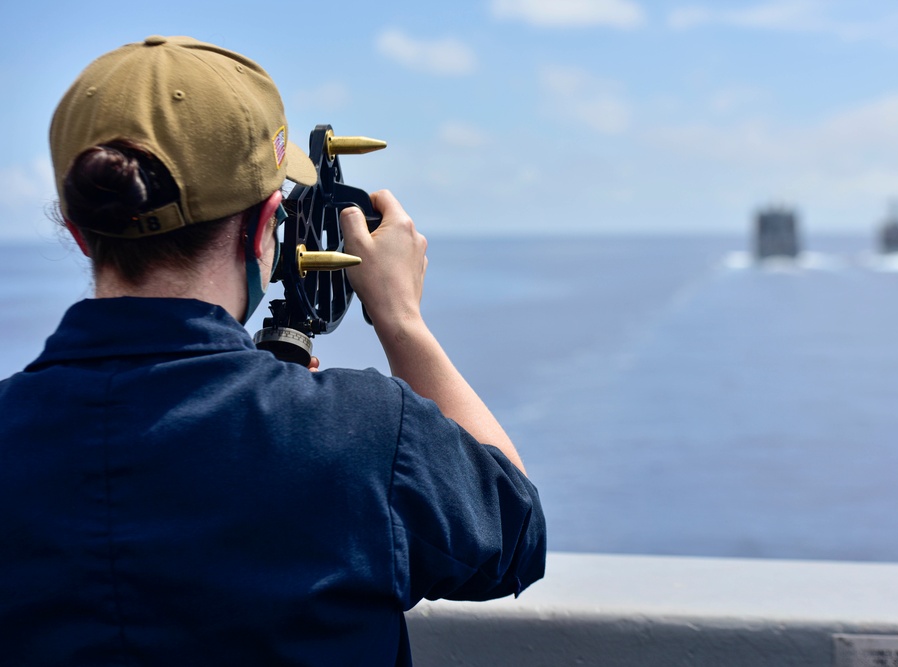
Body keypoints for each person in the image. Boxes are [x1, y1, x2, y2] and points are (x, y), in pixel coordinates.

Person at [0, 35, 545, 665]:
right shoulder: (363, 434)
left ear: (79, 233)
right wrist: (400, 319)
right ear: (264, 226)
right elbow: (516, 535)